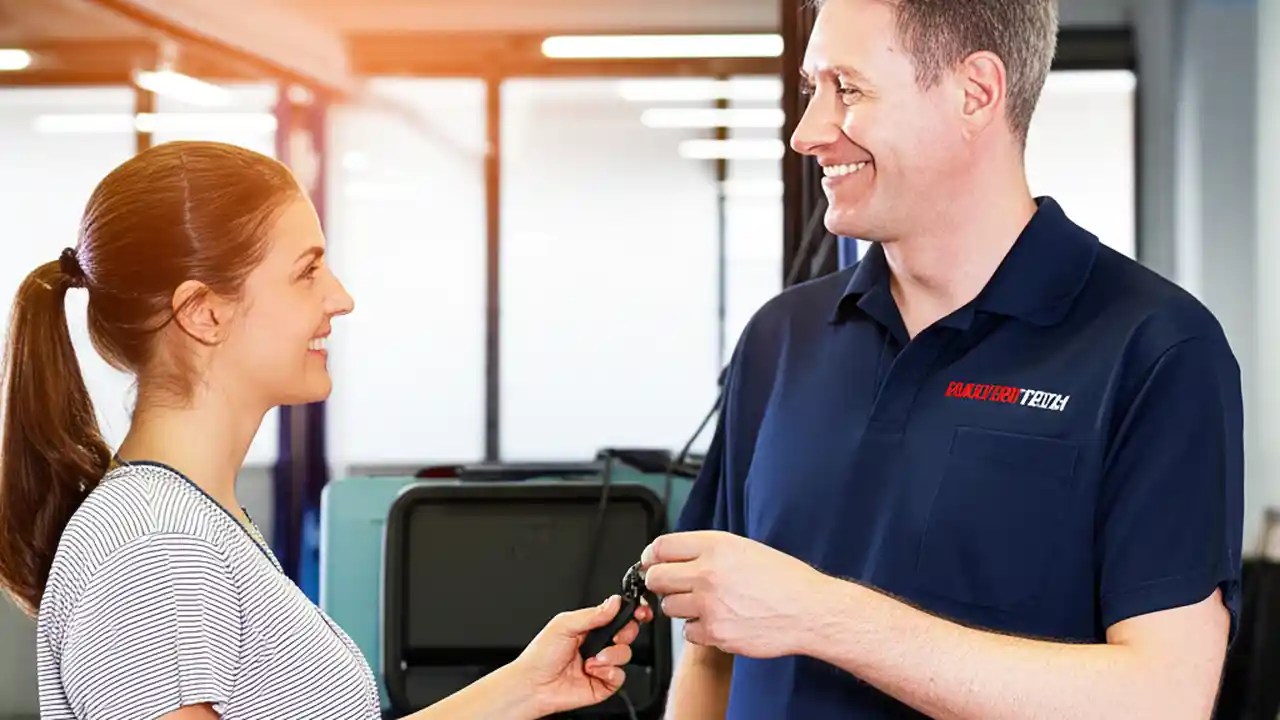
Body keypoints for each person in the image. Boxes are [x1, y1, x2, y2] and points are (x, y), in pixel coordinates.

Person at [641, 0, 1244, 718]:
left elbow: (1162, 699)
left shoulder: (1156, 348)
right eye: (812, 89)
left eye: (849, 89)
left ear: (976, 92)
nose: (808, 133)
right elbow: (714, 655)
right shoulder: (781, 337)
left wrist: (822, 615)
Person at [0, 141, 650, 720]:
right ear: (204, 314)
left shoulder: (187, 520)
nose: (340, 297)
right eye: (306, 270)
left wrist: (520, 691)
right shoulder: (161, 549)